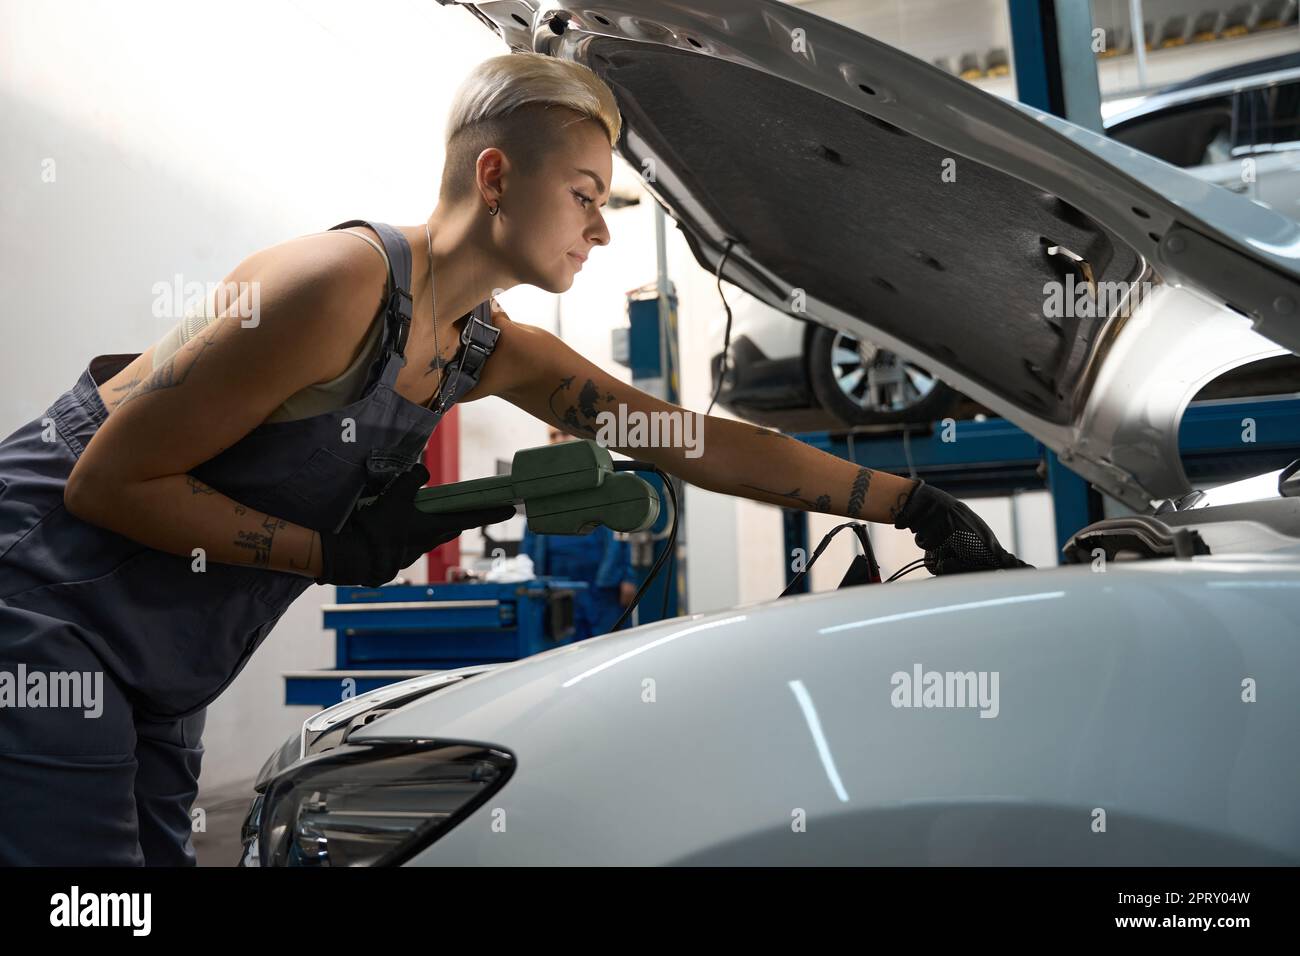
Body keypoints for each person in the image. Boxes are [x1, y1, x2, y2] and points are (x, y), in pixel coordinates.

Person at [0, 52, 1028, 866]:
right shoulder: (327, 287)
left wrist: (910, 500)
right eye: (585, 194)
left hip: (161, 655)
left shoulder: (482, 348)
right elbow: (106, 481)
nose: (600, 231)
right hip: (41, 594)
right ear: (495, 173)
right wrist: (329, 551)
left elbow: (685, 437)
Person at [520, 427, 638, 639]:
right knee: (564, 646)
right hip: (558, 581)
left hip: (601, 584)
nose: (559, 439)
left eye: (563, 433)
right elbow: (531, 531)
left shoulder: (607, 477)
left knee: (607, 644)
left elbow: (623, 530)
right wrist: (527, 576)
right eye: (553, 436)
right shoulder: (542, 484)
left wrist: (628, 576)